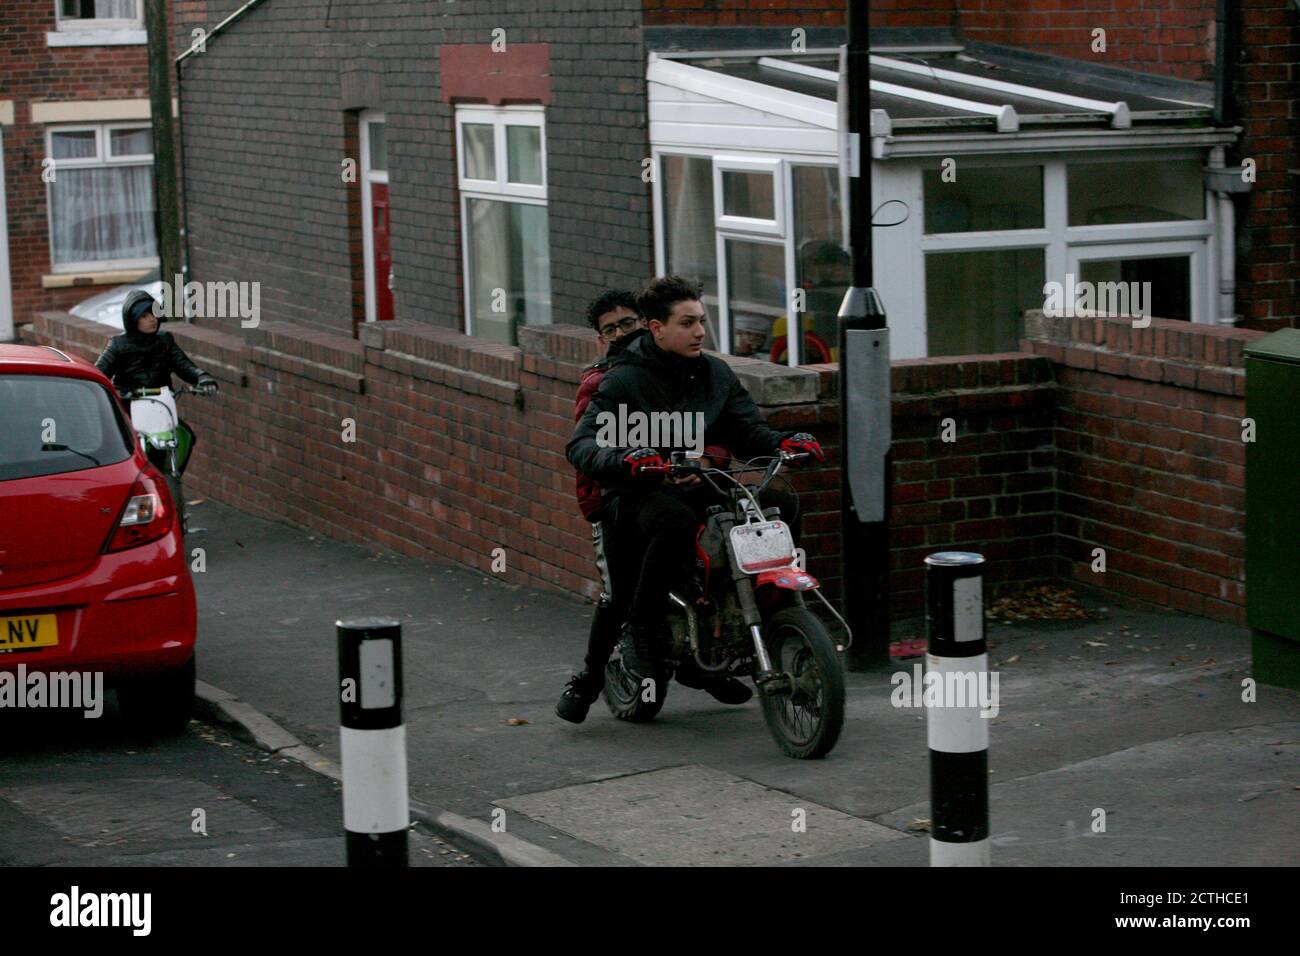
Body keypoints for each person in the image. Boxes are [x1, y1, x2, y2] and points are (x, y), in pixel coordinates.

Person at [566, 275, 824, 692]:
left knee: (780, 503)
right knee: (674, 522)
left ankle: (761, 607)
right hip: (635, 492)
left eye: (701, 321)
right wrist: (629, 460)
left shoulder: (715, 373)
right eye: (687, 323)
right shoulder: (622, 379)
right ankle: (642, 627)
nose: (700, 331)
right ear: (656, 328)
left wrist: (783, 443)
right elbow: (582, 445)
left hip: (698, 481)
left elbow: (748, 430)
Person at [95, 289, 218, 511]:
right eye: (143, 316)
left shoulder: (165, 341)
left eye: (152, 313)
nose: (151, 319)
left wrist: (202, 377)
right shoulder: (118, 345)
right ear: (132, 320)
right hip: (130, 407)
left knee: (185, 435)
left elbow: (183, 365)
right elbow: (99, 372)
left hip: (161, 403)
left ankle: (172, 476)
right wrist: (111, 390)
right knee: (122, 449)